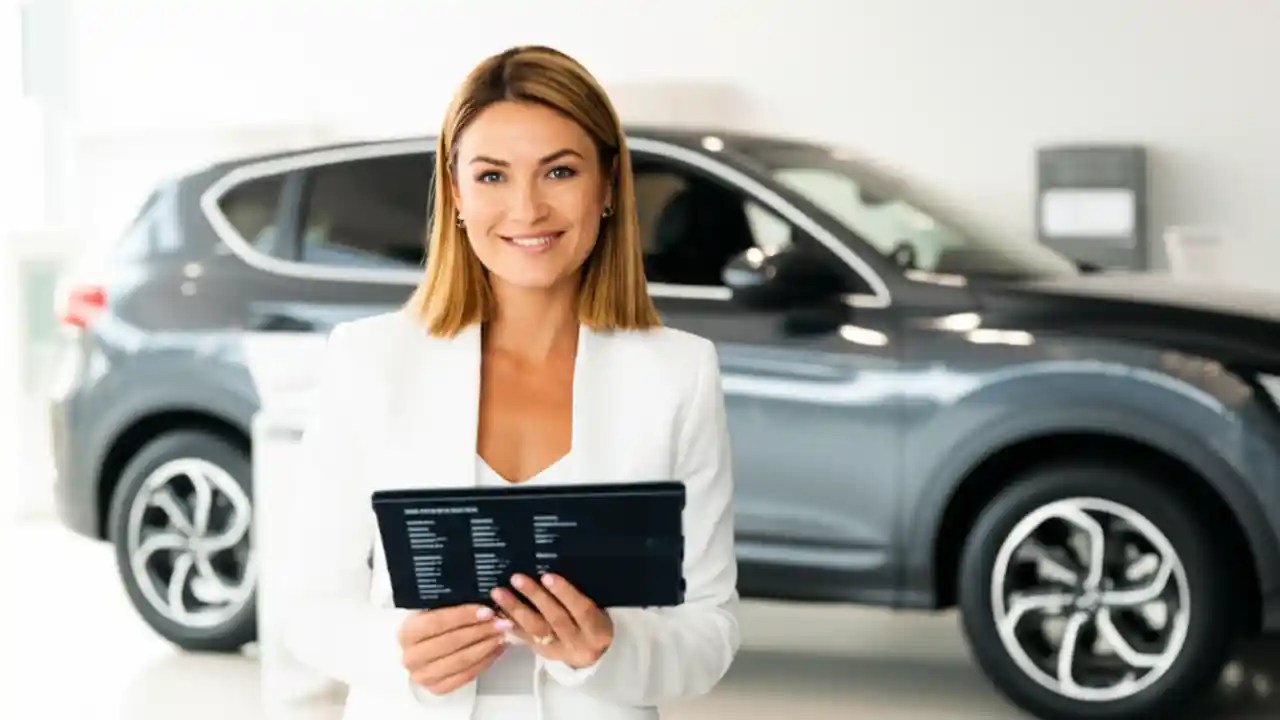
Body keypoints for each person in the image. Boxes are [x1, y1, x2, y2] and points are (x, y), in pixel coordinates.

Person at [276, 45, 741, 720]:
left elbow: (711, 628)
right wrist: (398, 650)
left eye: (559, 171)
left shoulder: (678, 374)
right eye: (492, 176)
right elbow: (308, 604)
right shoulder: (368, 361)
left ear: (608, 186)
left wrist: (608, 648)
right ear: (457, 193)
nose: (526, 208)